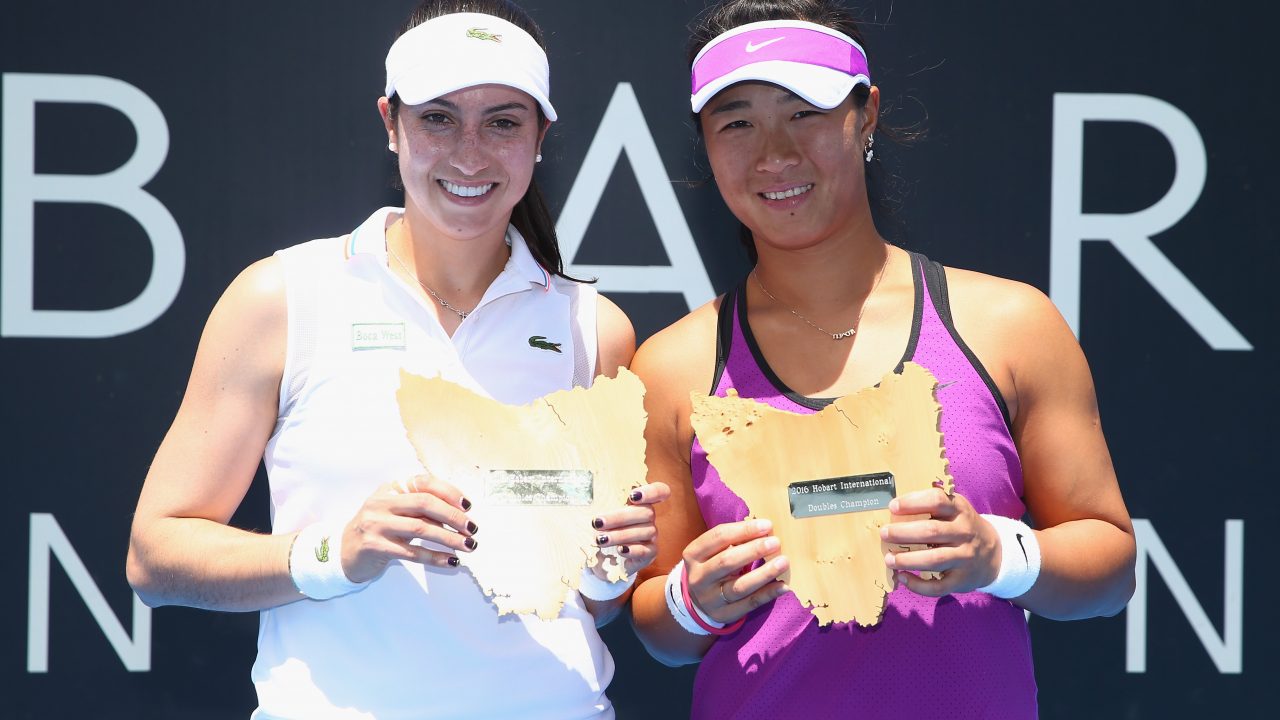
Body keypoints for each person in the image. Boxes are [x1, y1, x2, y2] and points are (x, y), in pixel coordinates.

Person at [126, 2, 668, 717]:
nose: (469, 154)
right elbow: (155, 556)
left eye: (503, 122)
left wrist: (609, 569)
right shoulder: (283, 296)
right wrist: (339, 552)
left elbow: (590, 604)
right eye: (438, 118)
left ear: (541, 136)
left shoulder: (593, 328)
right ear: (390, 123)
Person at [629, 1, 1136, 717]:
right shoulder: (671, 367)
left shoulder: (1011, 326)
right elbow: (657, 625)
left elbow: (1111, 568)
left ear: (866, 115)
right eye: (736, 123)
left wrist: (997, 554)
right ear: (705, 145)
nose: (774, 153)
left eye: (804, 112)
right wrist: (692, 602)